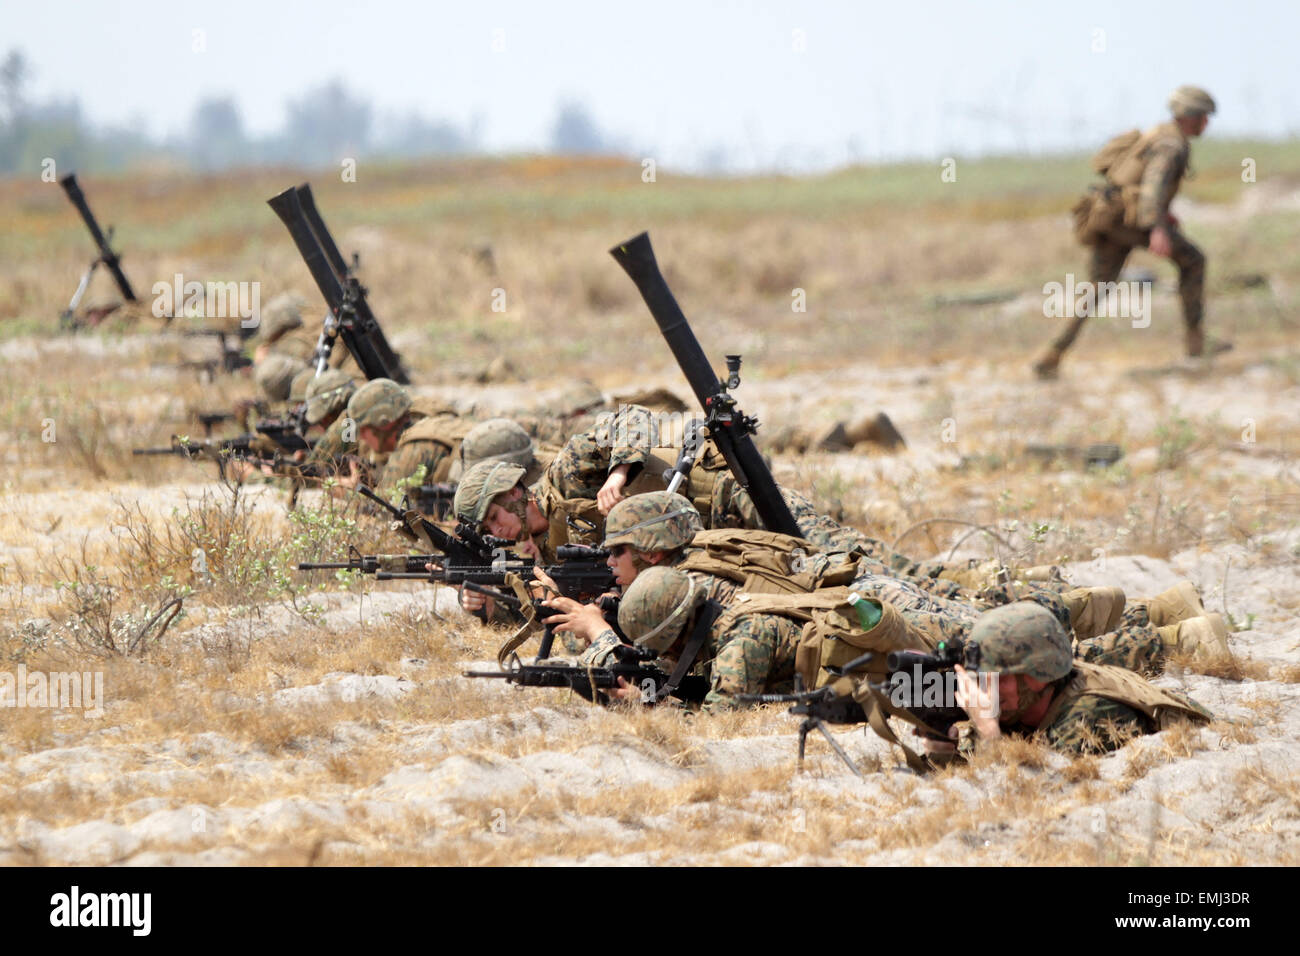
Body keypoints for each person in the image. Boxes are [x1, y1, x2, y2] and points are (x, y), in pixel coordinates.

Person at [1035, 85, 1227, 379]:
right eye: (1203, 117)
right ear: (1189, 117)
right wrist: (1157, 229)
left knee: (1097, 287)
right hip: (1133, 222)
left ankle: (1052, 353)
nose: (1206, 123)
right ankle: (1196, 342)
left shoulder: (1157, 134)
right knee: (1194, 261)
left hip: (1111, 219)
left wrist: (1161, 217)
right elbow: (1152, 188)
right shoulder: (1171, 146)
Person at [931, 602, 1212, 756]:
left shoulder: (1089, 715)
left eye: (996, 677)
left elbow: (1027, 797)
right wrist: (944, 752)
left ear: (1038, 677)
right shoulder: (1025, 704)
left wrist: (987, 729)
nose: (983, 687)